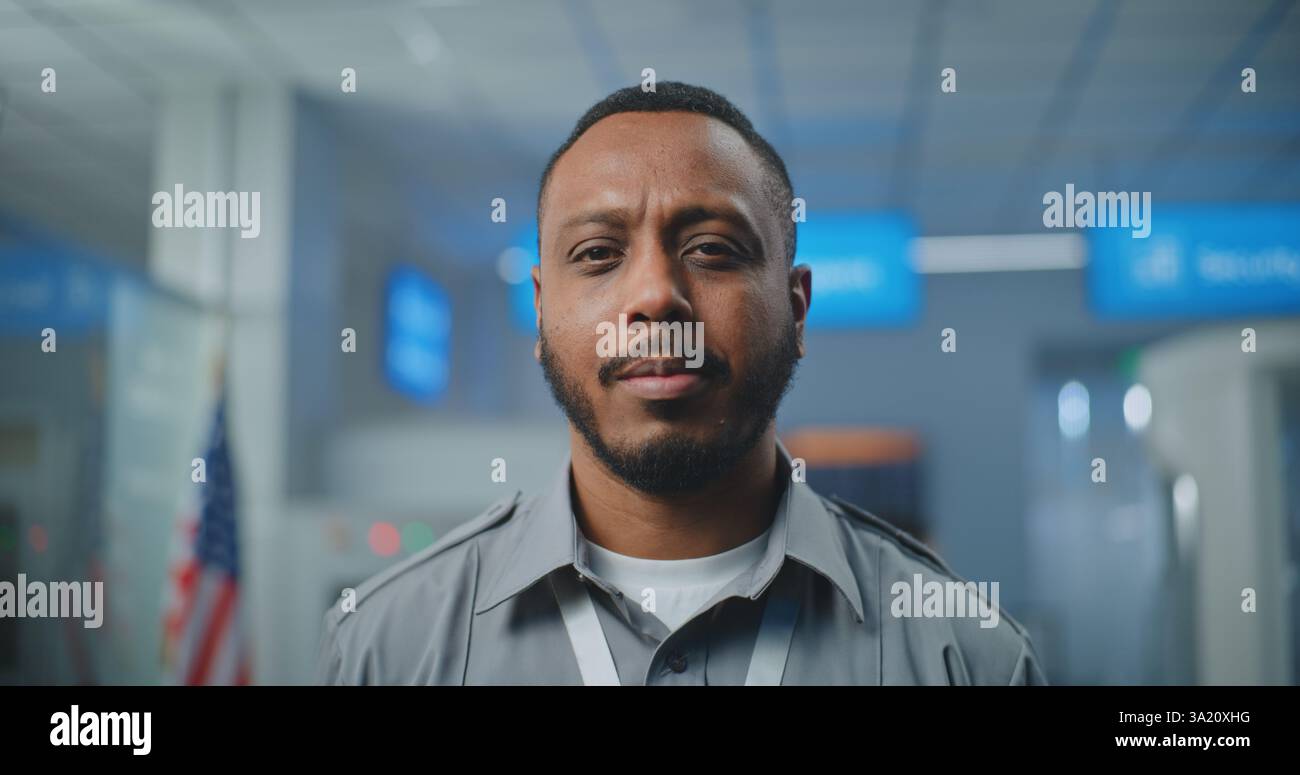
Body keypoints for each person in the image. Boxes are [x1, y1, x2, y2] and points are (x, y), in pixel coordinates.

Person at [316, 82, 1046, 685]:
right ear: (540, 311)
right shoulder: (388, 648)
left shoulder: (965, 653)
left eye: (712, 249)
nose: (657, 296)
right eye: (599, 253)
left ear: (795, 308)